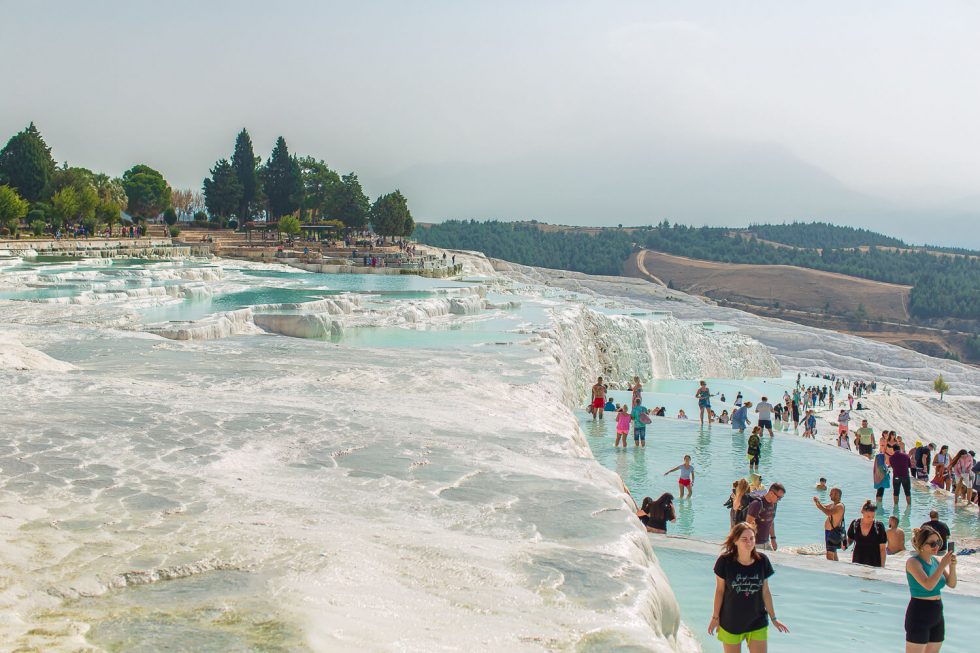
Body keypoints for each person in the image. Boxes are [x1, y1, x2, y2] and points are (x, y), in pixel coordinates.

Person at [708, 522, 790, 649]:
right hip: (731, 622)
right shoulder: (724, 562)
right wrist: (715, 617)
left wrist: (774, 619)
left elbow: (765, 591)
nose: (749, 542)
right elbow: (719, 591)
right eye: (744, 539)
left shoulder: (762, 561)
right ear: (735, 540)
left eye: (752, 538)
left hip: (757, 621)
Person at [904, 525, 957, 652]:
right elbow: (928, 585)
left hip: (937, 613)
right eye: (932, 543)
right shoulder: (913, 562)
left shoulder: (935, 561)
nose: (936, 547)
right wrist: (943, 564)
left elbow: (951, 583)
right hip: (919, 613)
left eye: (938, 542)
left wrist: (952, 566)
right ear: (922, 545)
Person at [846, 500, 887, 567]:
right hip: (857, 560)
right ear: (862, 512)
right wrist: (845, 545)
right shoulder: (855, 524)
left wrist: (882, 566)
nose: (871, 519)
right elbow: (850, 539)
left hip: (874, 561)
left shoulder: (878, 526)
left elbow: (882, 549)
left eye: (873, 517)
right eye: (868, 516)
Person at [746, 483, 785, 551]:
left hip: (766, 542)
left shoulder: (774, 504)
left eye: (781, 498)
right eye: (778, 497)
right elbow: (748, 524)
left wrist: (773, 539)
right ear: (771, 493)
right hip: (755, 544)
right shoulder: (757, 504)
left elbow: (771, 521)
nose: (779, 500)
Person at [813, 487, 846, 561]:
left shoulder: (839, 506)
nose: (829, 495)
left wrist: (820, 505)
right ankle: (837, 569)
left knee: (829, 554)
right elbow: (823, 507)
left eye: (831, 493)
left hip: (833, 532)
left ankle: (831, 570)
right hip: (830, 531)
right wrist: (817, 502)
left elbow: (827, 512)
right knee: (833, 553)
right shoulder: (833, 505)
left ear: (837, 495)